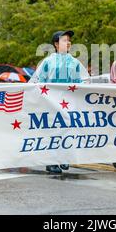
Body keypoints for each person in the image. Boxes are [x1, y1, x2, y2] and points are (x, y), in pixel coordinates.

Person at [29, 30, 89, 174]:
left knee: (68, 129)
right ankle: (51, 162)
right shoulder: (48, 61)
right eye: (64, 40)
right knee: (52, 131)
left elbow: (85, 81)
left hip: (68, 103)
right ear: (56, 44)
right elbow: (36, 81)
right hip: (50, 103)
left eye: (69, 40)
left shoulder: (74, 62)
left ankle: (63, 157)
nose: (68, 43)